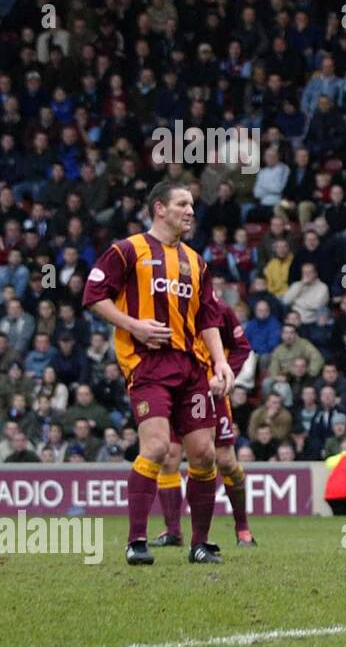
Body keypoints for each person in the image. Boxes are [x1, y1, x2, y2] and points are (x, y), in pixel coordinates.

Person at [81, 182, 234, 565]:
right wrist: (134, 325)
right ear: (159, 208)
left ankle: (200, 544)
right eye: (183, 204)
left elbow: (208, 319)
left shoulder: (196, 262)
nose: (191, 211)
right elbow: (93, 295)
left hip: (191, 367)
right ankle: (136, 541)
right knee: (156, 448)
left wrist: (221, 362)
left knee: (203, 455)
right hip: (148, 366)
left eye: (194, 205)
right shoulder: (128, 250)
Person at [150, 291, 258, 548]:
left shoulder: (219, 308)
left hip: (212, 393)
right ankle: (173, 531)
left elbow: (242, 346)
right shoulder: (167, 305)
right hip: (177, 392)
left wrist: (223, 377)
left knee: (225, 461)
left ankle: (243, 528)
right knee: (169, 457)